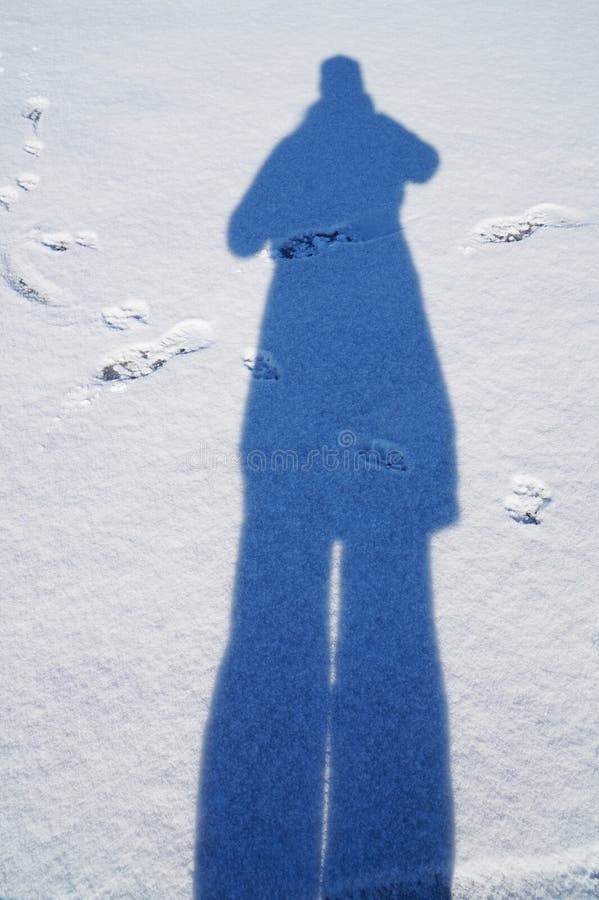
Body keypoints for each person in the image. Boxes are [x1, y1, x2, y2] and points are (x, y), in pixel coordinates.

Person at [196, 56, 456, 899]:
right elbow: (427, 164)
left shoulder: (293, 144)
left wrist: (294, 208)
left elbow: (241, 234)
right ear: (360, 93)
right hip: (381, 298)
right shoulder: (374, 132)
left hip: (303, 307)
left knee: (294, 481)